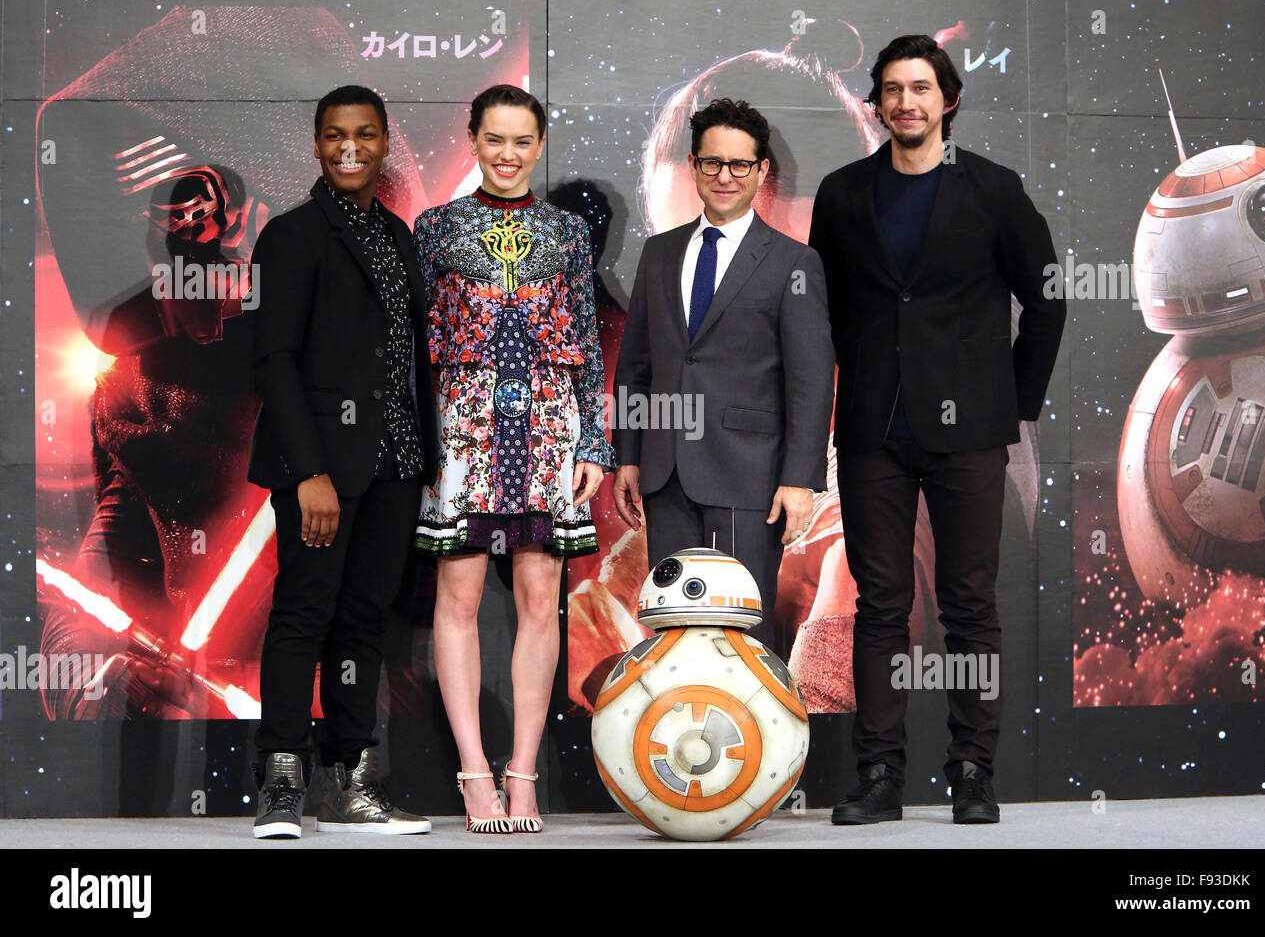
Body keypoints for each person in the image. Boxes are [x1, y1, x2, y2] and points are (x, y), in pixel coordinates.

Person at [809, 35, 1065, 825]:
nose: (906, 102)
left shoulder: (993, 189)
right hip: (872, 431)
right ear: (877, 103)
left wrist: (1012, 406)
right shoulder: (844, 192)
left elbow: (1048, 297)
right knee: (878, 605)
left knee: (969, 605)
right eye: (891, 89)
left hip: (970, 433)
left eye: (920, 88)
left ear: (947, 98)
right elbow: (821, 312)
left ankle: (972, 771)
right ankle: (879, 774)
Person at [413, 84, 614, 833]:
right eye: (494, 139)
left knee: (540, 605)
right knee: (457, 604)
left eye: (522, 141)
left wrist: (593, 439)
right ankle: (473, 776)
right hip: (461, 430)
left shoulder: (566, 233)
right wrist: (423, 441)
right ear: (473, 139)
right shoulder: (433, 228)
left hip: (549, 428)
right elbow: (413, 349)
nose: (507, 154)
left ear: (538, 144)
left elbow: (587, 345)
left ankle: (523, 777)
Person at [246, 84, 435, 838]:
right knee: (303, 616)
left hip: (395, 466)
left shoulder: (398, 236)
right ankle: (280, 786)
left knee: (363, 625)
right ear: (317, 144)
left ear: (385, 141)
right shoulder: (291, 236)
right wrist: (308, 471)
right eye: (334, 134)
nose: (349, 146)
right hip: (321, 469)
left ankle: (348, 780)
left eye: (363, 134)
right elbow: (273, 360)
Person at [611, 98, 835, 652]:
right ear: (694, 165)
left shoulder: (792, 263)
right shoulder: (660, 254)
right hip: (665, 474)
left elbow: (811, 380)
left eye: (739, 165)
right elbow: (636, 366)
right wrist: (629, 456)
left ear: (762, 171)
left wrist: (799, 478)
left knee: (743, 632)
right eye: (712, 163)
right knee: (671, 632)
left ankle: (744, 739)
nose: (724, 176)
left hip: (752, 475)